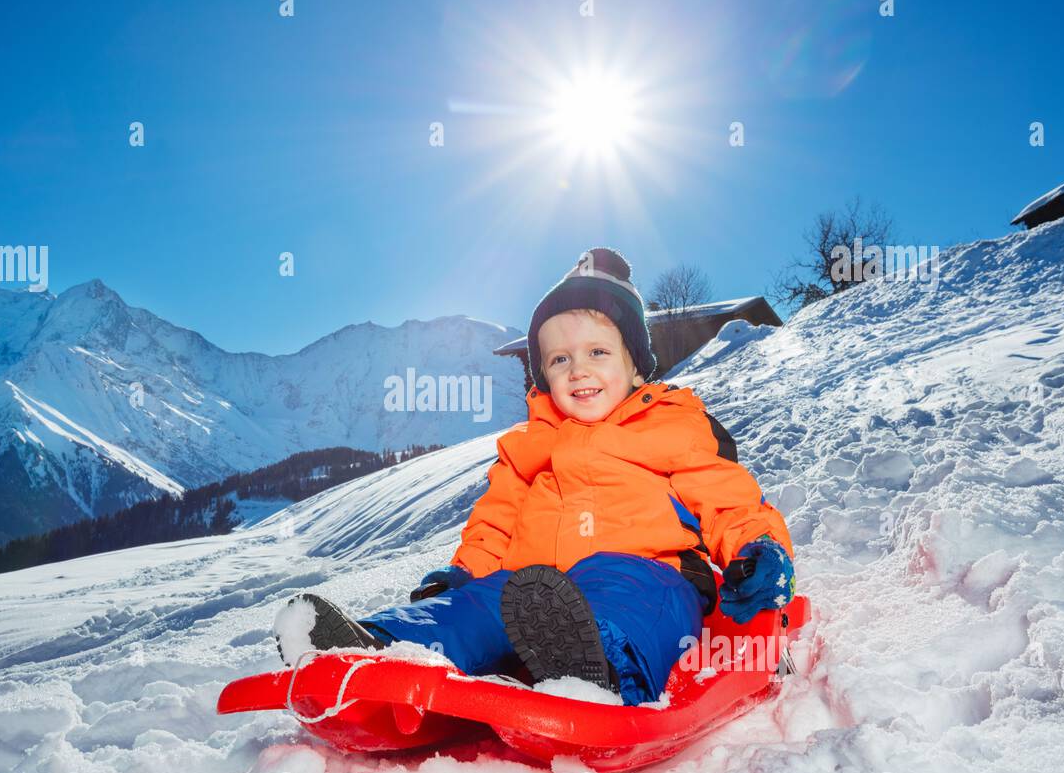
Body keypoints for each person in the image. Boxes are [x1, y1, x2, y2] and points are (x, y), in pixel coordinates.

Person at [276, 247, 796, 706]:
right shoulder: (530, 444)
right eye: (560, 358)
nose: (578, 370)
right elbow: (496, 523)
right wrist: (465, 574)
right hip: (530, 589)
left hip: (648, 572)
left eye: (598, 352)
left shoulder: (671, 424)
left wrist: (758, 549)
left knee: (631, 605)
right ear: (543, 374)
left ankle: (598, 670)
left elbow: (728, 500)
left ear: (636, 366)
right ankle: (375, 653)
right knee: (474, 608)